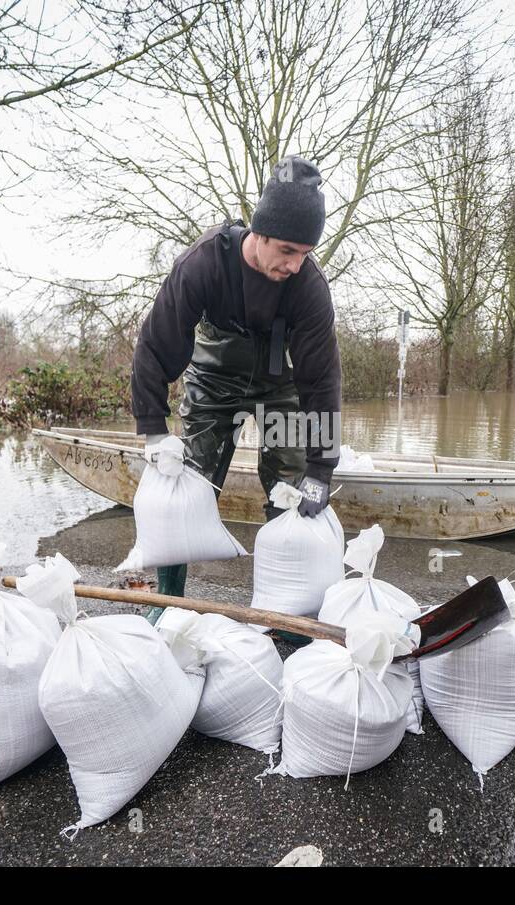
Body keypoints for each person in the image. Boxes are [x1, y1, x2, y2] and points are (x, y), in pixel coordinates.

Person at [130, 155, 342, 614]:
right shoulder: (203, 264)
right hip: (212, 378)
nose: (295, 264)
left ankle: (287, 612)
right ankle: (168, 602)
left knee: (290, 486)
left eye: (305, 253)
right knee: (185, 483)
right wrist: (153, 429)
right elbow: (156, 342)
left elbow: (321, 380)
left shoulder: (309, 289)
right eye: (287, 251)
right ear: (259, 234)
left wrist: (322, 469)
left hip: (279, 388)